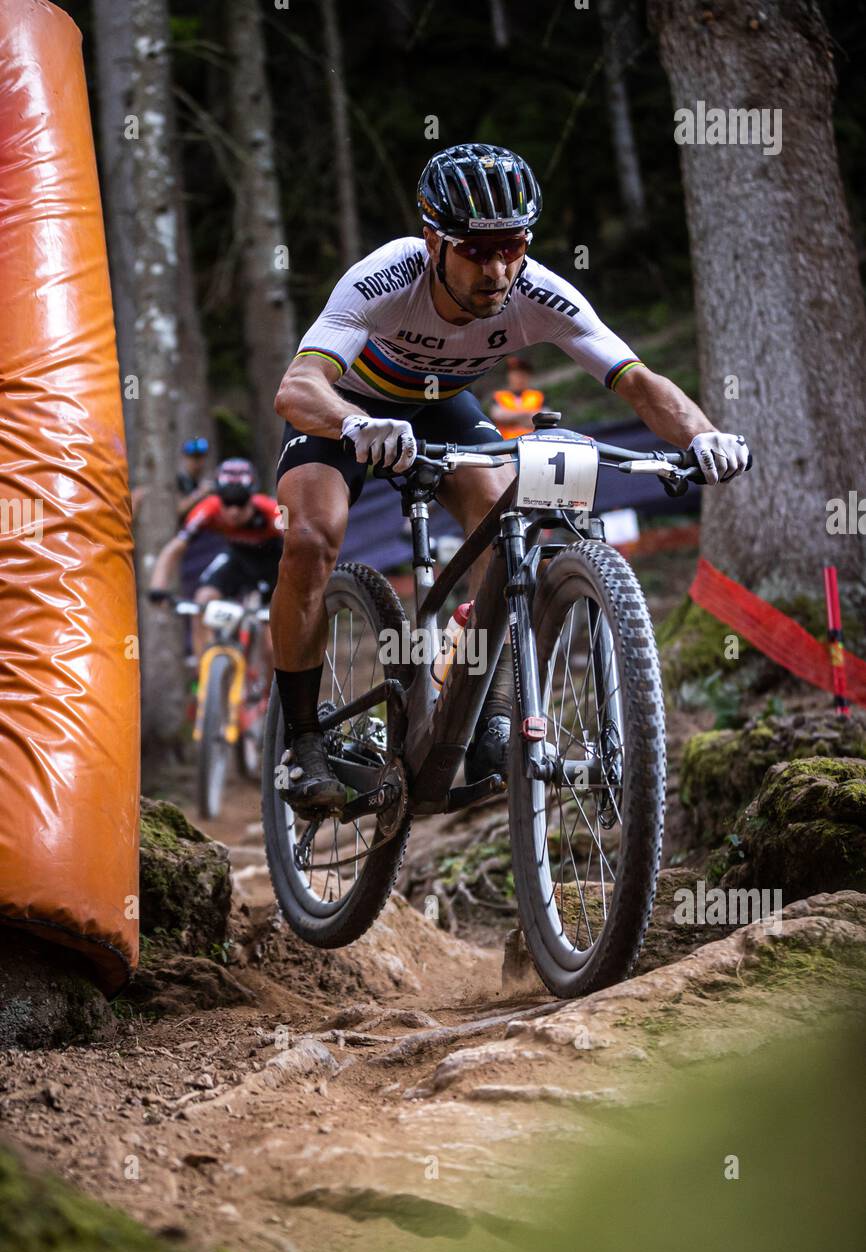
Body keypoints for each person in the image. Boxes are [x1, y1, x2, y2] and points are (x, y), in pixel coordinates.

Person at [270, 142, 750, 812]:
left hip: (438, 407)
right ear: (434, 240)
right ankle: (302, 742)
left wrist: (703, 434)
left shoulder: (537, 292)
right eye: (476, 250)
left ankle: (489, 714)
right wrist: (353, 426)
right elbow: (297, 388)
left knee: (504, 519)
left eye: (513, 246)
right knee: (314, 536)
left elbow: (640, 383)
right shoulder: (385, 277)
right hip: (345, 411)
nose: (497, 269)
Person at [149, 458, 282, 664]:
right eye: (227, 502)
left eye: (241, 502)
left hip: (274, 565)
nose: (234, 511)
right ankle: (206, 674)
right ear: (218, 497)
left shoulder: (270, 510)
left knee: (271, 644)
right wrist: (158, 586)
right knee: (202, 601)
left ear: (252, 497)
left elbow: (297, 545)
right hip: (238, 560)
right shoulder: (207, 509)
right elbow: (174, 548)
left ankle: (269, 693)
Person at [490, 355, 544, 438]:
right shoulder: (499, 396)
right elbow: (498, 416)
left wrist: (511, 418)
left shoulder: (537, 395)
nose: (519, 378)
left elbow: (544, 420)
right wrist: (528, 414)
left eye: (522, 374)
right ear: (508, 376)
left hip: (533, 444)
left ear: (528, 376)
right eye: (515, 374)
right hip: (507, 447)